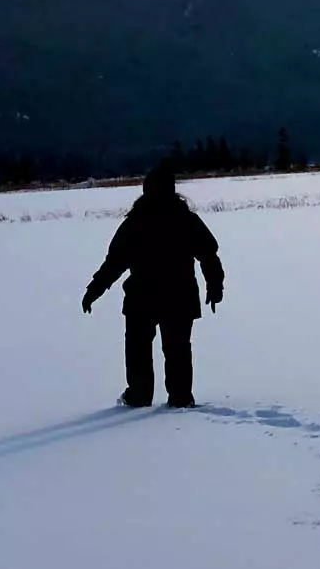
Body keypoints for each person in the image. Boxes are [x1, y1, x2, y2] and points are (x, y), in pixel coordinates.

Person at [83, 161, 224, 408]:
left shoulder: (137, 221)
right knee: (176, 350)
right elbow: (209, 256)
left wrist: (94, 289)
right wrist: (214, 286)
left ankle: (140, 396)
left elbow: (115, 262)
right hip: (176, 297)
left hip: (143, 297)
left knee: (141, 351)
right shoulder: (185, 220)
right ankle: (179, 398)